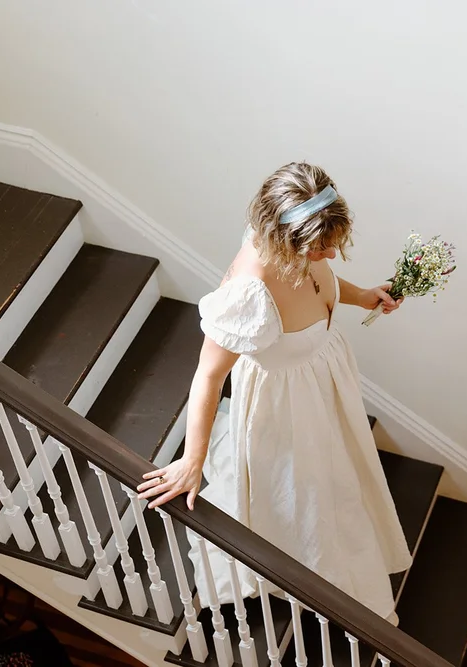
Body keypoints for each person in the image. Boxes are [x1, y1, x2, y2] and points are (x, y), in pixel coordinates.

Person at [136, 162, 412, 622]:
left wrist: (362, 295)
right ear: (284, 237)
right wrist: (192, 459)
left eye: (331, 243)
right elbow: (208, 375)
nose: (328, 254)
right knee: (304, 494)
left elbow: (319, 279)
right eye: (320, 246)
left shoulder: (302, 254)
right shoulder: (250, 291)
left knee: (337, 471)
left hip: (321, 382)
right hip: (286, 407)